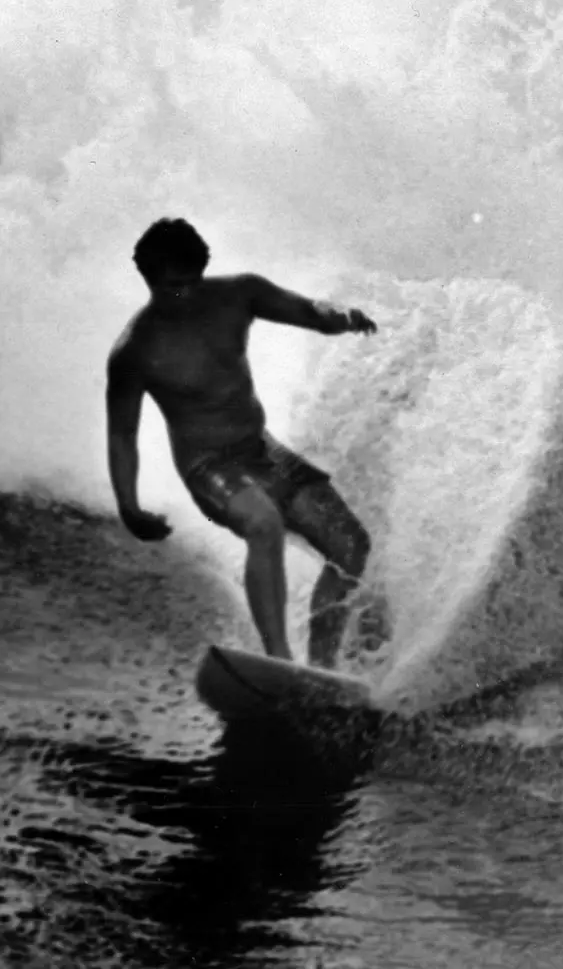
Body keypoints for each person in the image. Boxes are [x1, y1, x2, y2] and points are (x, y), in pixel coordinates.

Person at [106, 218, 379, 668]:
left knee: (352, 546)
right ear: (148, 278)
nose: (186, 295)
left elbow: (310, 311)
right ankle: (280, 660)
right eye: (173, 286)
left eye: (192, 282)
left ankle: (320, 670)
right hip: (209, 467)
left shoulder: (239, 294)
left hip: (263, 451)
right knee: (263, 524)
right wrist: (128, 506)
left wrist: (343, 317)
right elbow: (122, 433)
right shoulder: (136, 351)